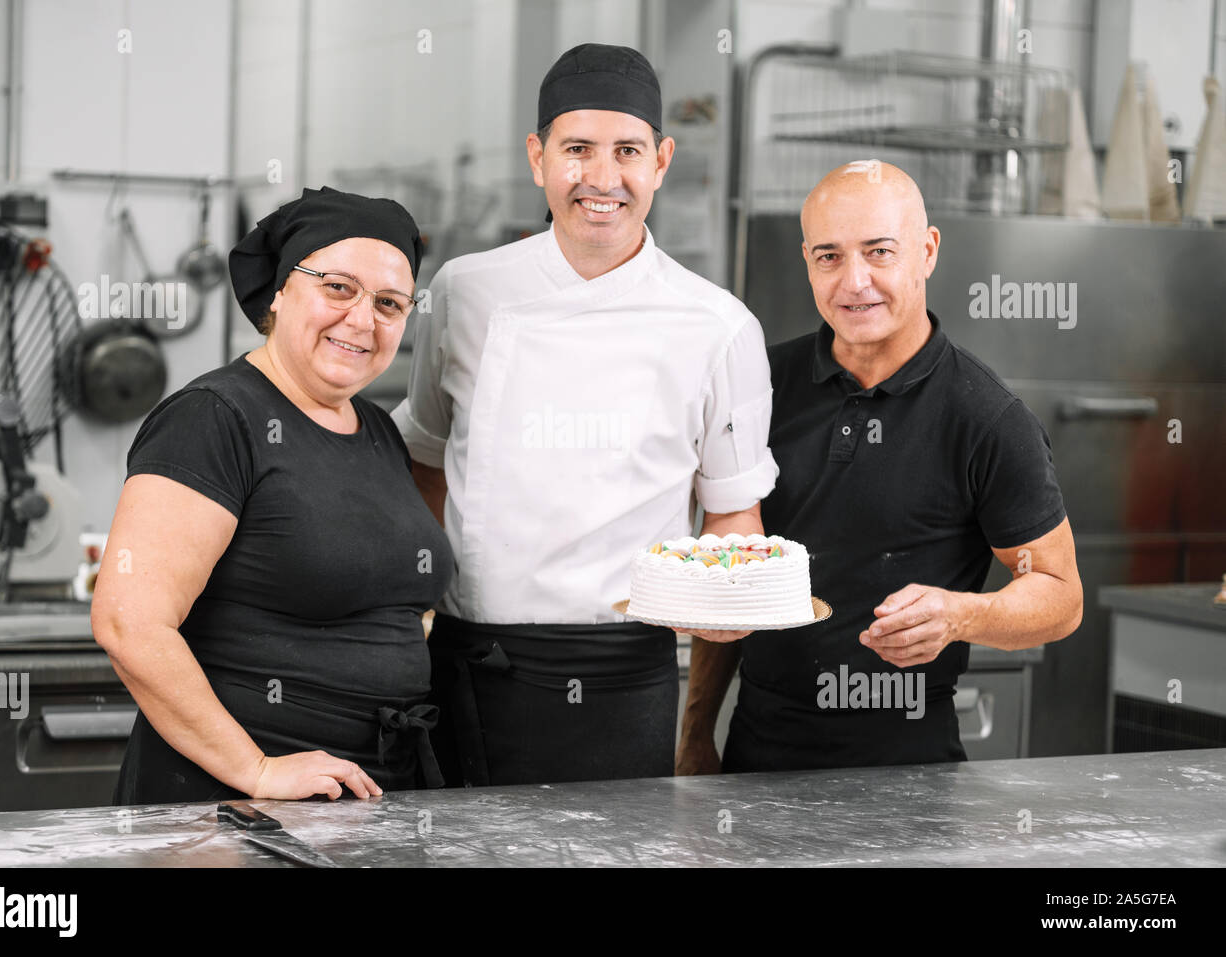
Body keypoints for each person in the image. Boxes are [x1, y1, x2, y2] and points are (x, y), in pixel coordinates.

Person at [393, 43, 778, 787]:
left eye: (628, 151)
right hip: (466, 661)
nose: (603, 179)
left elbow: (734, 521)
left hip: (622, 677)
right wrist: (403, 619)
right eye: (577, 150)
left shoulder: (718, 325)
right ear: (538, 157)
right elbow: (426, 471)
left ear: (661, 161)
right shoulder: (465, 292)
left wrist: (728, 604)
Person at [677, 162, 1084, 774]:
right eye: (830, 257)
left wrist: (960, 615)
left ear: (927, 251)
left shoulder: (986, 418)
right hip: (756, 761)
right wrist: (695, 734)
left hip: (911, 767)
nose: (855, 281)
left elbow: (1062, 597)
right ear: (806, 260)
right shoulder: (758, 386)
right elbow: (730, 582)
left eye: (879, 252)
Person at [95, 187, 452, 804]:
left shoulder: (378, 431)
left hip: (360, 800)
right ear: (281, 292)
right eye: (338, 288)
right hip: (233, 806)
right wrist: (257, 770)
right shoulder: (213, 418)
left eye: (390, 303)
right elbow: (129, 622)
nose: (363, 320)